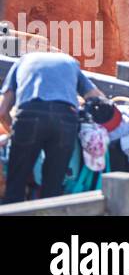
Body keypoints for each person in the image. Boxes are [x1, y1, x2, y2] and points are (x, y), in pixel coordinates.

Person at [1, 49, 105, 203]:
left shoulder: (22, 61)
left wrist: (13, 132)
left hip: (29, 116)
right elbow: (96, 97)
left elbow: (3, 111)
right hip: (66, 118)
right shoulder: (70, 63)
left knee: (16, 181)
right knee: (53, 185)